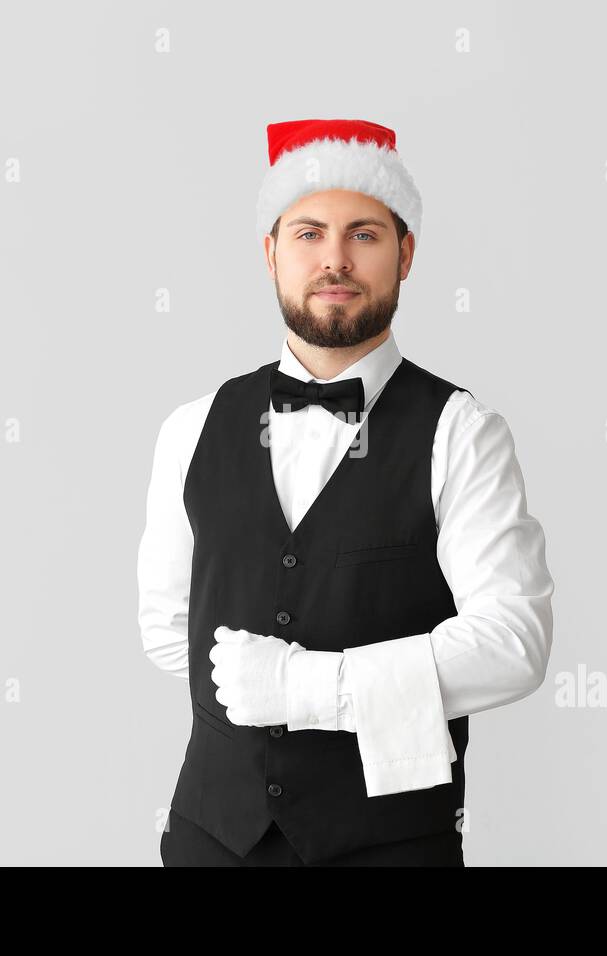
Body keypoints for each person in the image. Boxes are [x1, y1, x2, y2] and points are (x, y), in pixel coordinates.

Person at [138, 119, 554, 866]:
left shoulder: (462, 432)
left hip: (390, 847)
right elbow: (171, 628)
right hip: (211, 838)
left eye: (364, 234)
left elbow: (513, 644)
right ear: (270, 254)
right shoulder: (191, 428)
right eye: (307, 233)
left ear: (407, 254)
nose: (334, 260)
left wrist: (309, 688)